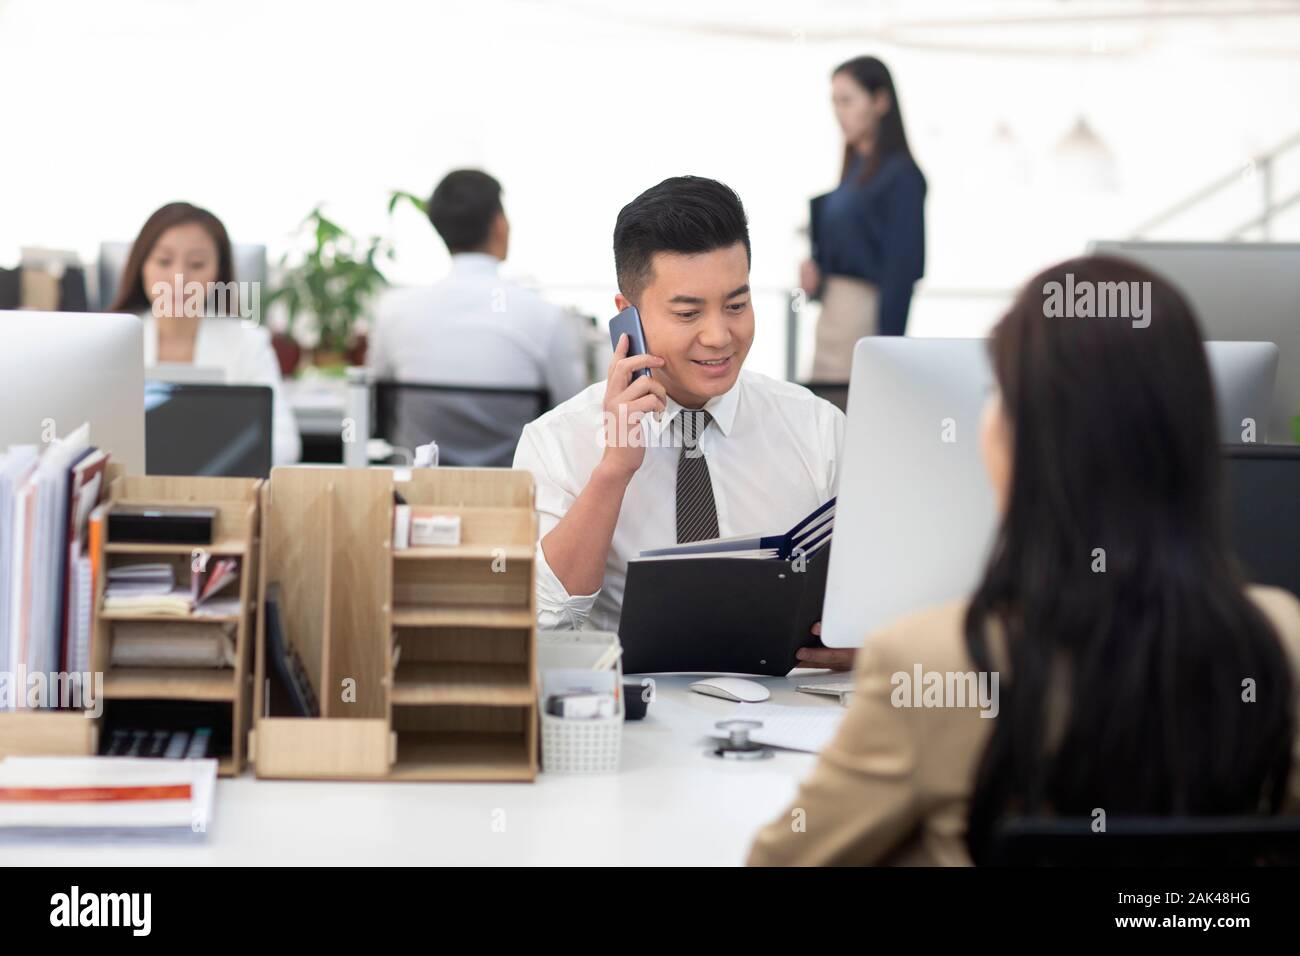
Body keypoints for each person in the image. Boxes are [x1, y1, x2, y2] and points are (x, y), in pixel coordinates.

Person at [749, 256, 1300, 866]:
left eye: (998, 398)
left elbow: (782, 862)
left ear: (1023, 444)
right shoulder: (1281, 639)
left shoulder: (935, 662)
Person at [513, 175, 850, 670]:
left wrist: (867, 642)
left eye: (737, 305)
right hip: (632, 723)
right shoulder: (558, 440)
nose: (719, 336)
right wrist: (614, 469)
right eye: (688, 313)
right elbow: (542, 626)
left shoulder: (816, 428)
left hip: (786, 718)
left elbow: (880, 596)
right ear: (628, 316)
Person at [367, 169, 587, 466]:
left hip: (418, 498)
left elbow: (372, 404)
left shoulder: (394, 311)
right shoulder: (545, 317)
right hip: (518, 498)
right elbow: (574, 414)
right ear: (499, 225)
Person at [109, 201, 300, 465]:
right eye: (164, 261)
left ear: (217, 274)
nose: (179, 278)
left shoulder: (248, 343)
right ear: (142, 265)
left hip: (220, 492)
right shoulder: (110, 342)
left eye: (197, 264)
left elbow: (285, 444)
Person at [802, 55, 926, 380]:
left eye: (847, 100)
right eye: (834, 102)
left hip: (862, 323)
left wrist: (887, 353)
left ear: (880, 101)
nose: (838, 112)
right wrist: (817, 271)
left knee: (847, 418)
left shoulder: (901, 176)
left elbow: (900, 272)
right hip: (832, 318)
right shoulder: (854, 172)